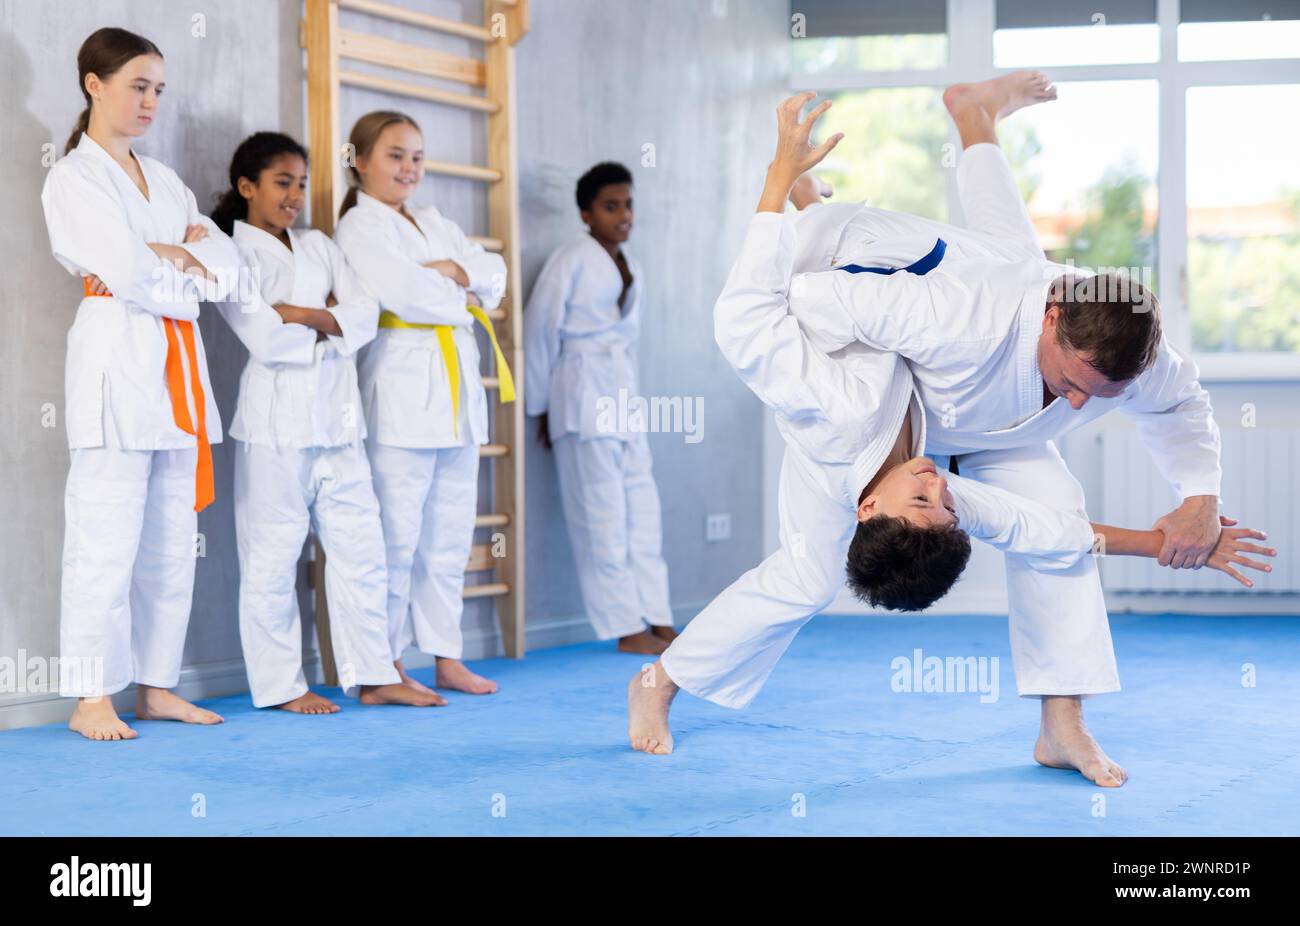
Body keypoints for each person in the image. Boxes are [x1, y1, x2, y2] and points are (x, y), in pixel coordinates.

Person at [627, 80, 1276, 778]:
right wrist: (791, 194)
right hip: (865, 382)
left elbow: (1161, 425)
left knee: (1007, 268)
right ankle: (658, 680)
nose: (1084, 409)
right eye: (1076, 384)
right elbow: (766, 309)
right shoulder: (925, 341)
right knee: (808, 577)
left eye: (1105, 394)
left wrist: (1198, 500)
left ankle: (1062, 726)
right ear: (1055, 318)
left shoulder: (1120, 340)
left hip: (957, 408)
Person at [41, 27, 242, 740]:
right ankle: (90, 695)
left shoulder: (166, 181)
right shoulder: (73, 177)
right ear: (94, 84)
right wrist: (176, 261)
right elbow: (125, 275)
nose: (151, 100)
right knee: (103, 537)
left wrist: (178, 258)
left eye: (159, 88)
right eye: (138, 85)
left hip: (178, 369)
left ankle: (157, 685)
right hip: (115, 363)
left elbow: (227, 267)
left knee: (168, 539)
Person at [210, 131, 440, 712]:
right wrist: (325, 318)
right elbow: (264, 336)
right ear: (247, 187)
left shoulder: (318, 244)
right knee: (271, 559)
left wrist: (303, 316)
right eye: (282, 182)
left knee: (363, 550)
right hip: (274, 430)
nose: (295, 195)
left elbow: (364, 315)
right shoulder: (230, 251)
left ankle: (373, 673)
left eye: (302, 184)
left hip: (340, 423)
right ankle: (282, 685)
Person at [334, 111, 514, 698]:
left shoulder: (434, 220)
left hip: (459, 393)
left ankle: (447, 655)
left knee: (448, 537)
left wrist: (461, 273)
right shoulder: (360, 228)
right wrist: (463, 289)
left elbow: (497, 273)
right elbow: (407, 293)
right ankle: (381, 668)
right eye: (394, 155)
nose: (408, 168)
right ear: (359, 161)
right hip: (403, 391)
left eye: (416, 156)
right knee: (394, 538)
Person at [523, 162, 676, 655]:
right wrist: (541, 405)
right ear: (587, 213)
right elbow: (539, 331)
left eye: (628, 204)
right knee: (601, 514)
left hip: (623, 394)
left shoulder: (629, 262)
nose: (623, 215)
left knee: (642, 510)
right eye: (611, 206)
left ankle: (658, 615)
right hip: (580, 394)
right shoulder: (571, 259)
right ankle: (625, 626)